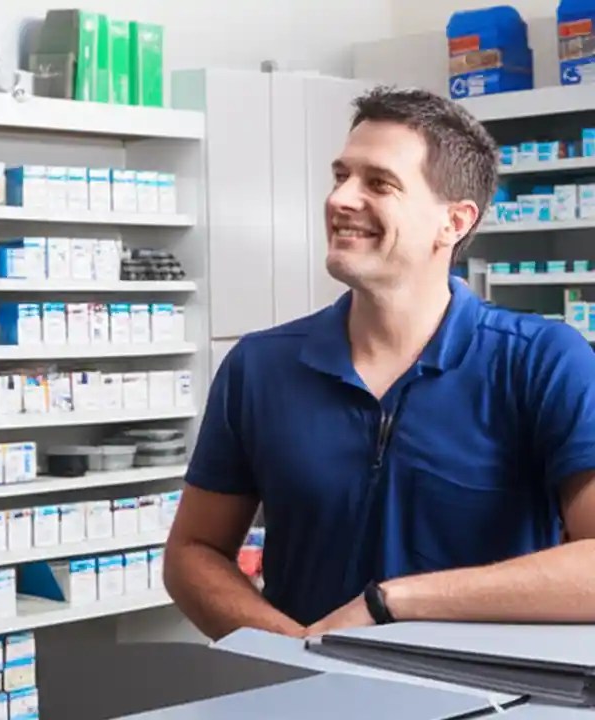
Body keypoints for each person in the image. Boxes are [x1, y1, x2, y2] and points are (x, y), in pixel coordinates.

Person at [164, 86, 595, 641]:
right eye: (340, 175)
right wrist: (295, 652)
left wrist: (389, 603)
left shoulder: (543, 362)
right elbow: (193, 551)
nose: (341, 199)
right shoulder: (261, 367)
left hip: (483, 699)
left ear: (454, 222)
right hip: (306, 697)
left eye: (378, 183)